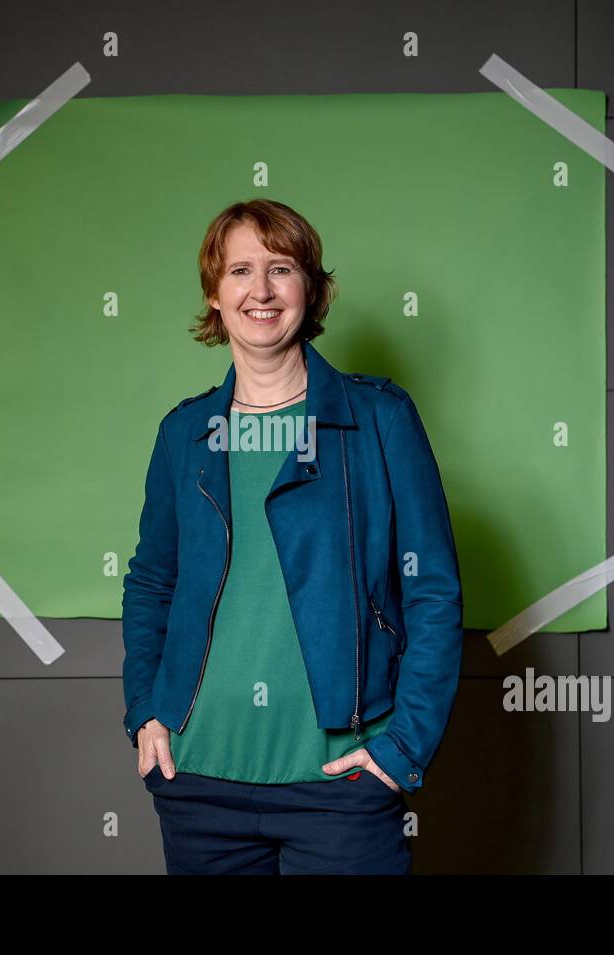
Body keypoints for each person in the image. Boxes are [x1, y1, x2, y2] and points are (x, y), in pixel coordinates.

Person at [121, 198, 464, 874]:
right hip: (200, 777)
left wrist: (405, 747)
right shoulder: (184, 434)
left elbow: (433, 592)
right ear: (215, 297)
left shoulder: (380, 418)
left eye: (282, 268)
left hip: (341, 780)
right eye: (241, 271)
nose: (262, 290)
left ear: (312, 288)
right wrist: (145, 714)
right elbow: (152, 583)